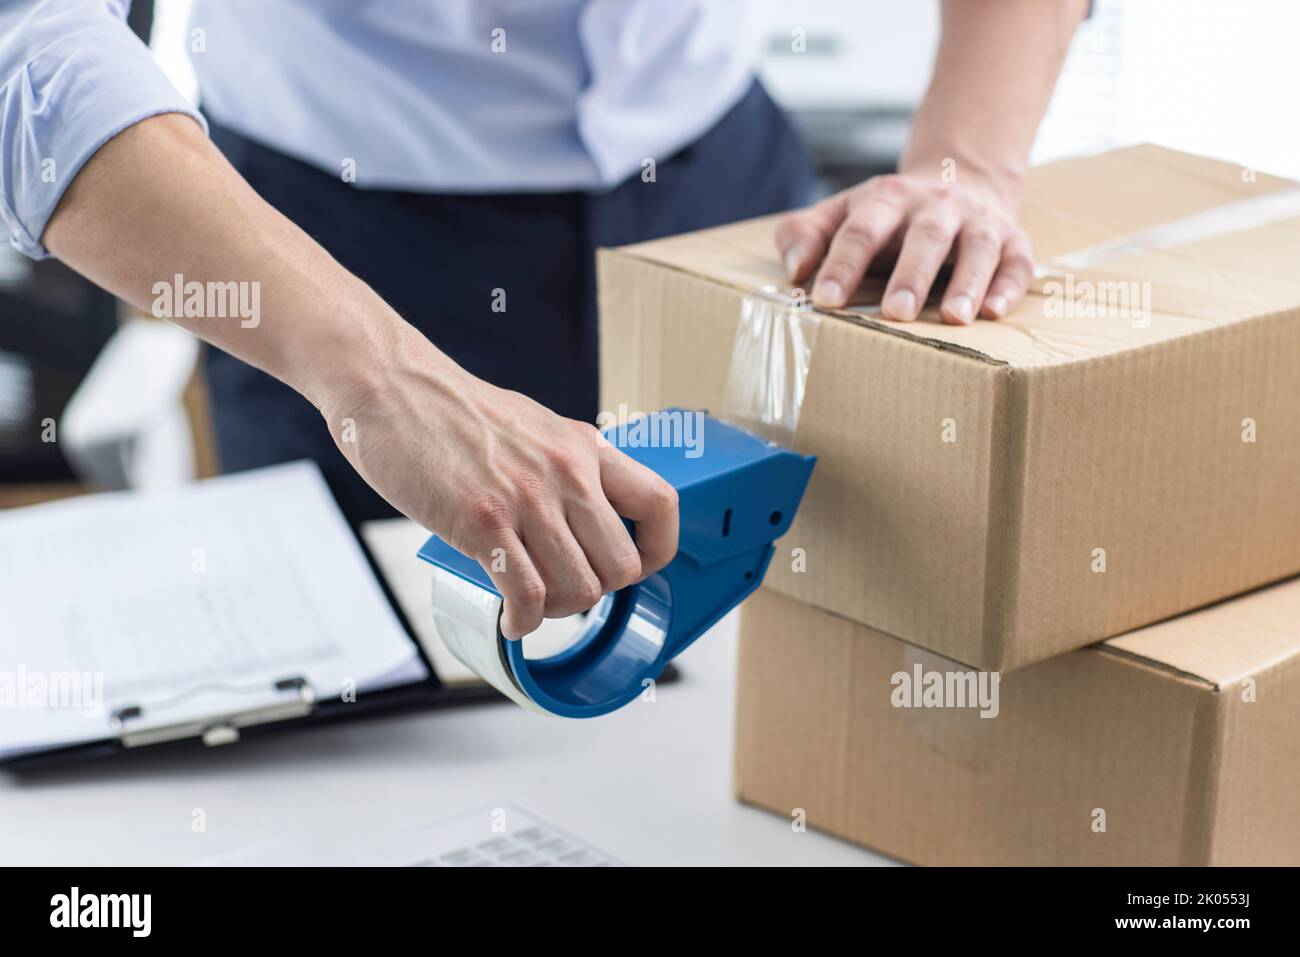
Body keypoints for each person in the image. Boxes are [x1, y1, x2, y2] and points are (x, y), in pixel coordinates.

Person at [0, 0, 1087, 639]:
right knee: (373, 708)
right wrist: (379, 380)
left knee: (775, 656)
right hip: (335, 237)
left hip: (724, 197)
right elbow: (29, 42)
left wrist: (969, 169)